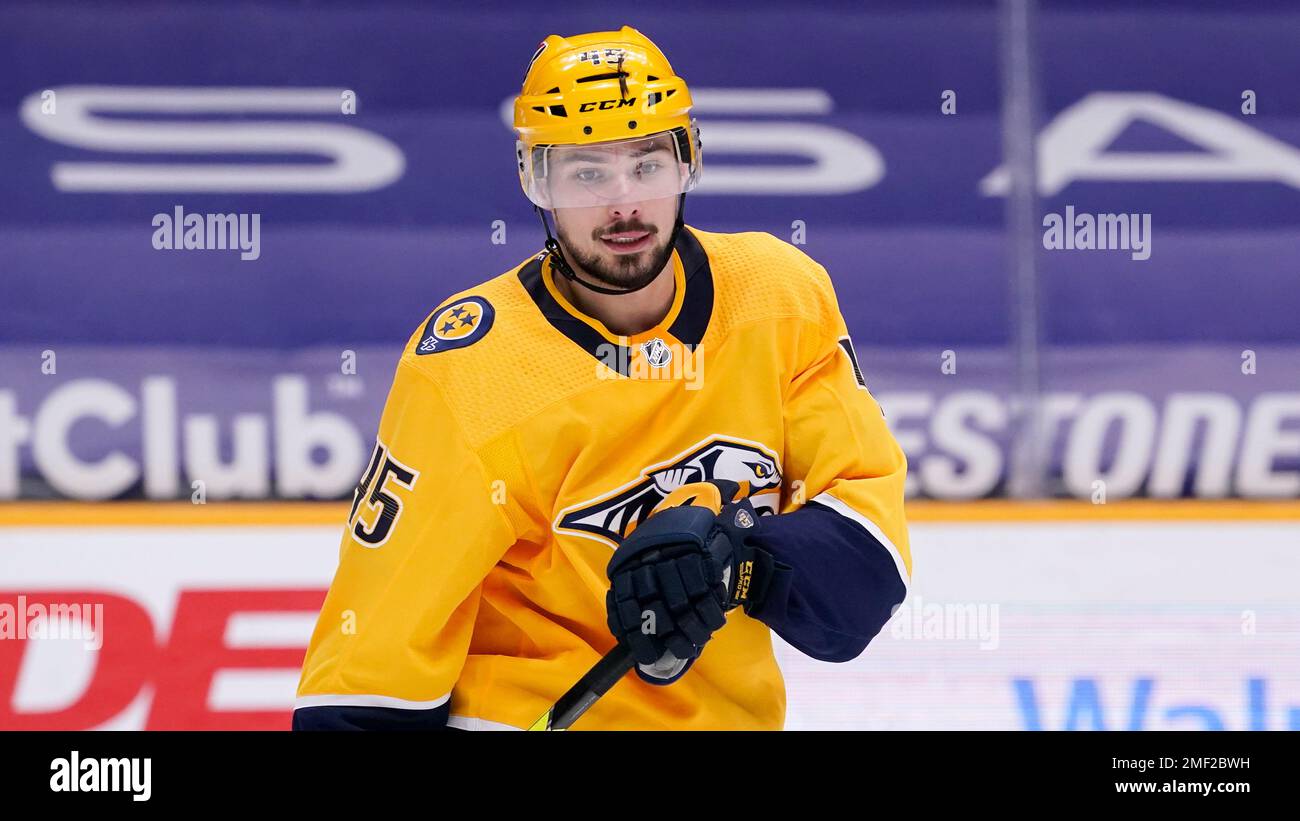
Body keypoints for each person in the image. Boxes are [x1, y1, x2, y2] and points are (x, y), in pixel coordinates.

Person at [294, 25, 910, 731]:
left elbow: (862, 585)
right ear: (536, 183)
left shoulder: (778, 296)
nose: (623, 204)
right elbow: (364, 675)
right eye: (586, 173)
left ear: (689, 163)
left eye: (646, 165)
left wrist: (734, 559)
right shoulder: (472, 366)